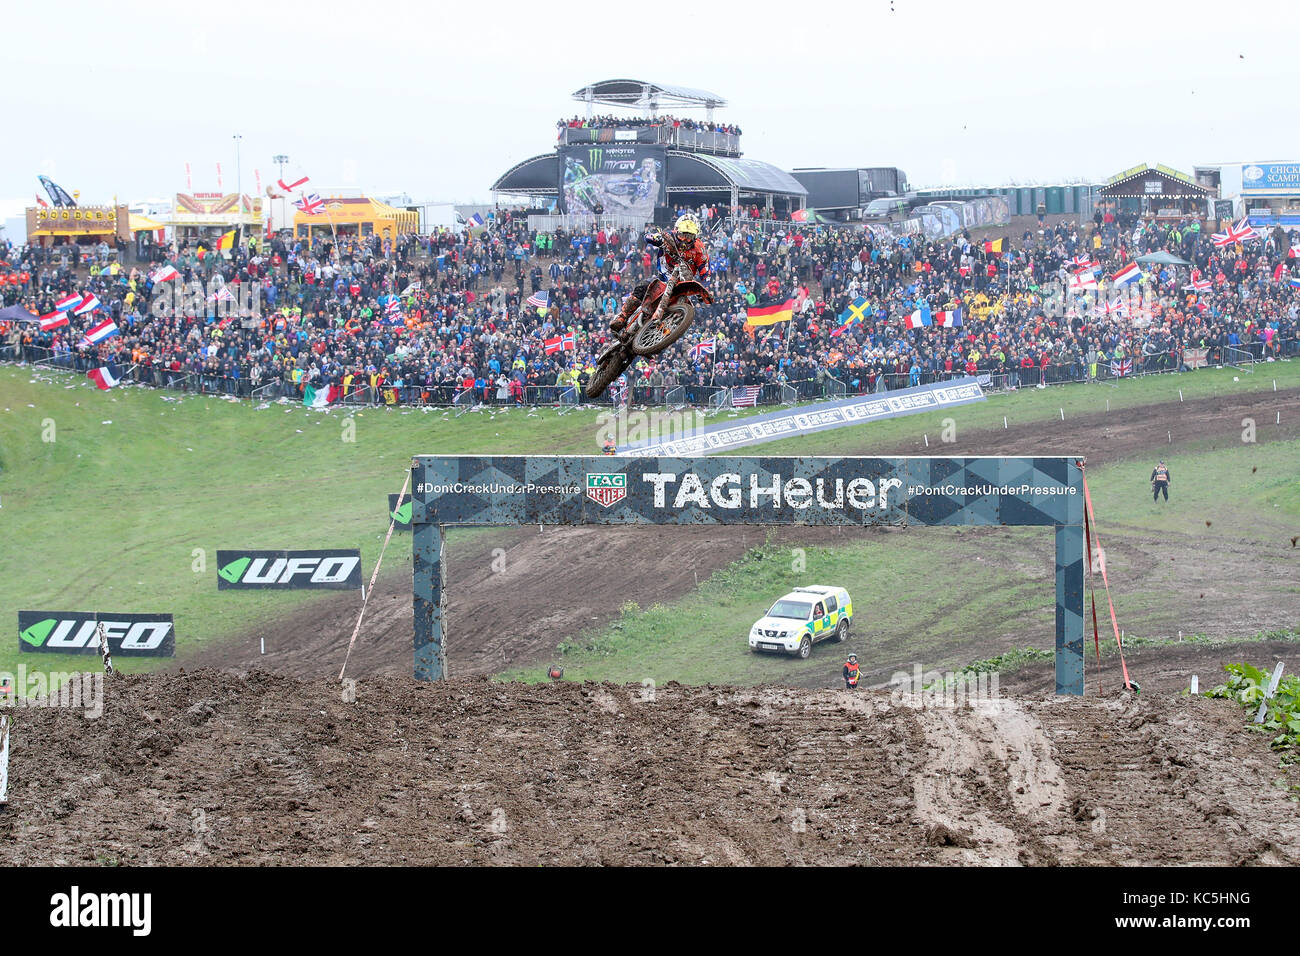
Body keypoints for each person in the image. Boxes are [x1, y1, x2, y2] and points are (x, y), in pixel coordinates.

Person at [609, 214, 710, 332]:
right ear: (677, 231)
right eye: (682, 235)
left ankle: (665, 333)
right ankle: (622, 316)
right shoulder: (669, 237)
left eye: (689, 237)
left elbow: (705, 269)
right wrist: (656, 239)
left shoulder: (699, 249)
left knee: (687, 309)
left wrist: (704, 280)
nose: (685, 240)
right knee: (643, 286)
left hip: (683, 281)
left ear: (695, 236)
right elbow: (648, 237)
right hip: (665, 275)